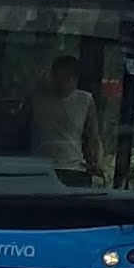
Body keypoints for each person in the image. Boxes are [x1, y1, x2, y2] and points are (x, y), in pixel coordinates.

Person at [31, 55, 103, 187]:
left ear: (75, 79)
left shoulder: (85, 100)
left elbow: (92, 135)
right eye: (56, 77)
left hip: (74, 170)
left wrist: (95, 163)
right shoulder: (37, 98)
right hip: (40, 168)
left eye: (66, 78)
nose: (60, 82)